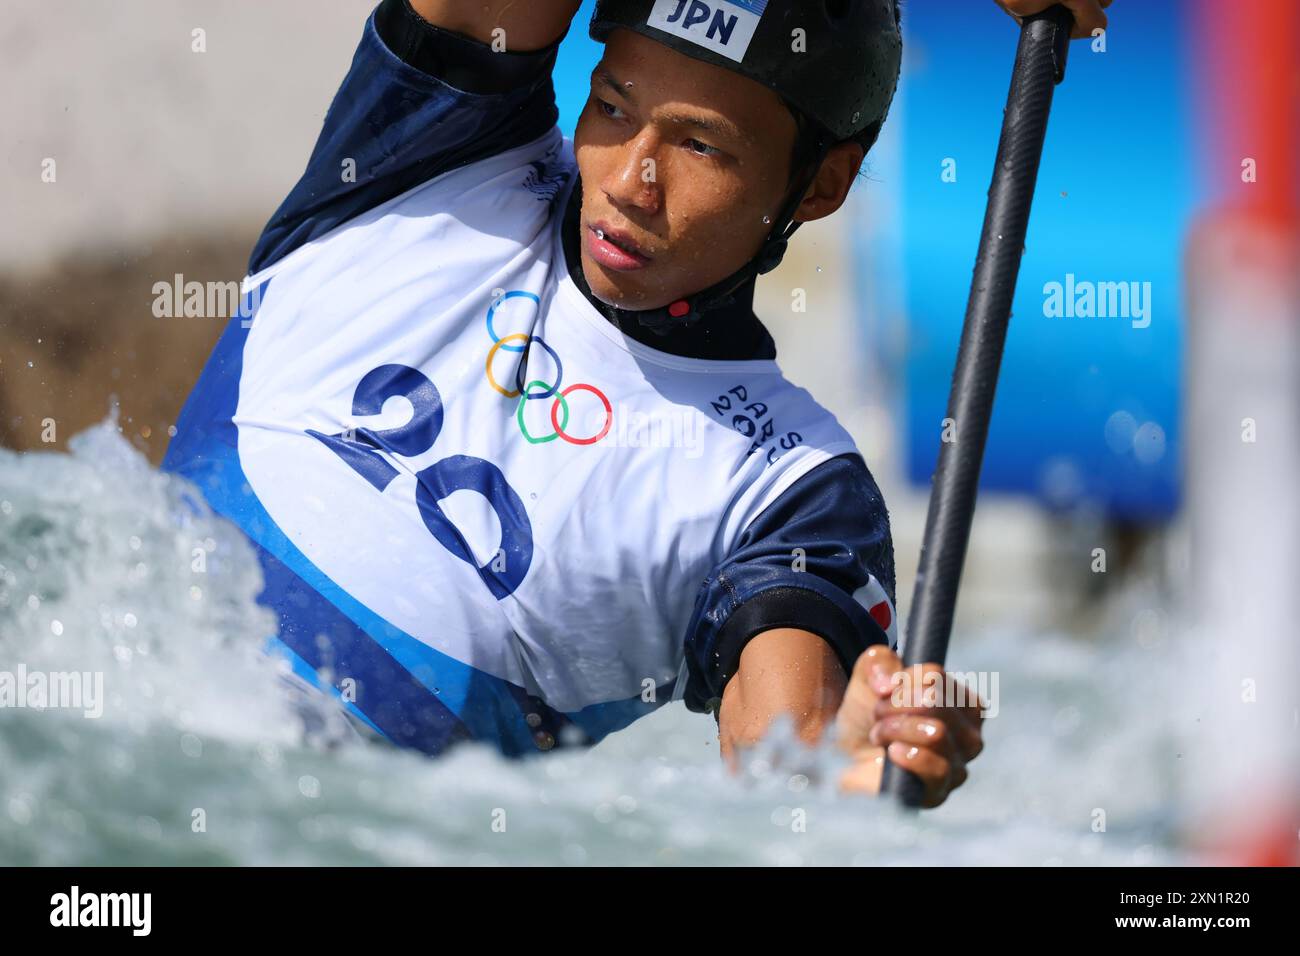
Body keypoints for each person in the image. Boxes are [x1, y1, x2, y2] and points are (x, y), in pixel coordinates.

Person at [164, 0, 1109, 807]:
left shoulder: (789, 485)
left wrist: (844, 755)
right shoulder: (428, 149)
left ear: (821, 186)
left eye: (701, 145)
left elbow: (787, 749)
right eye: (614, 105)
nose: (629, 180)